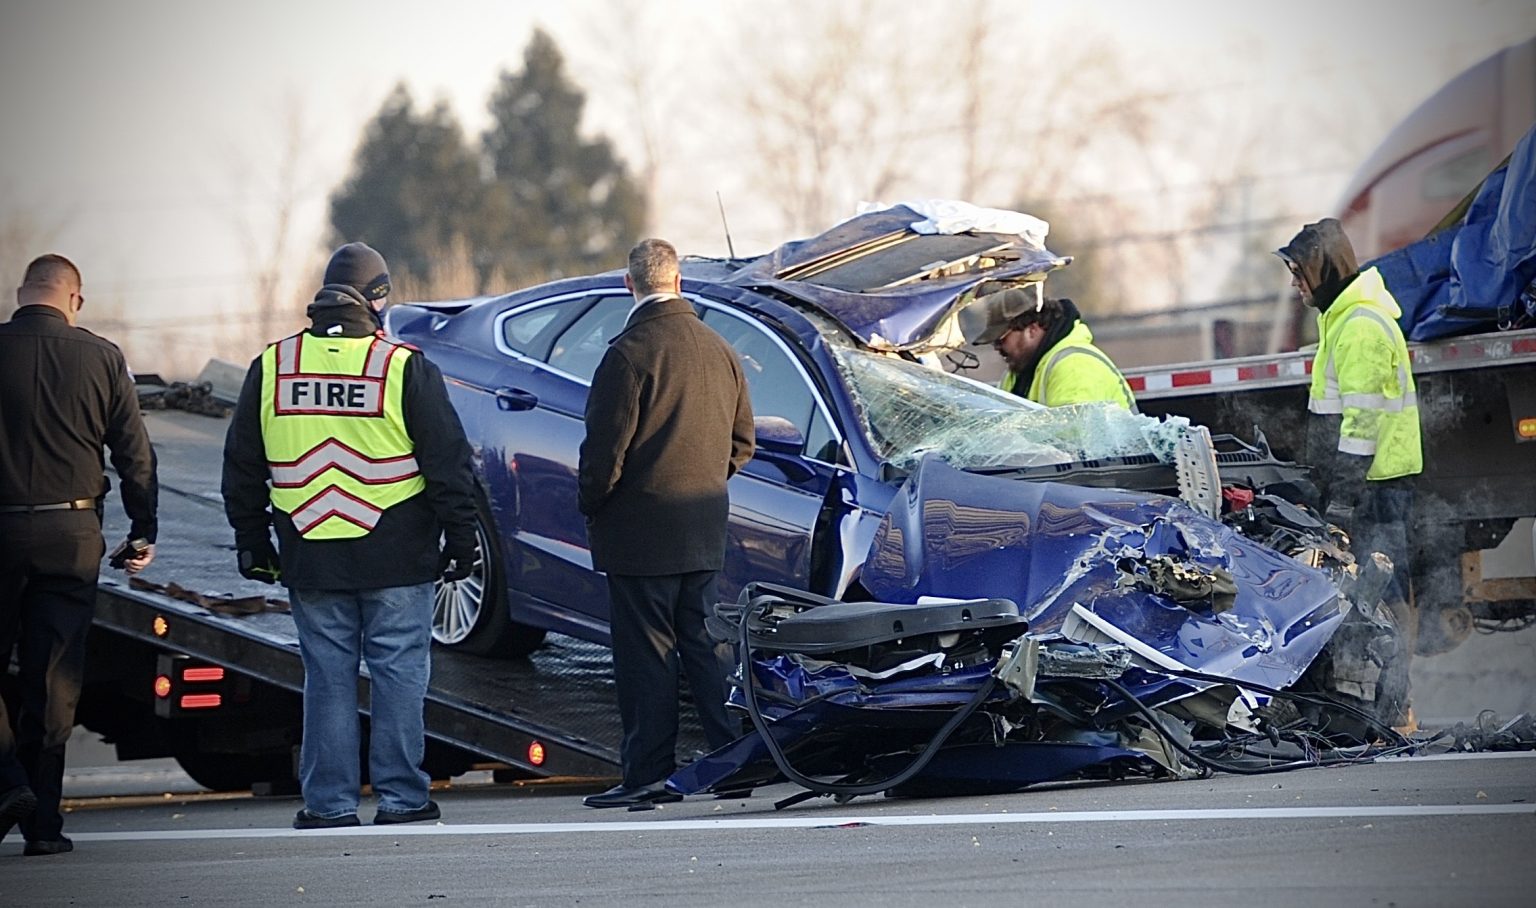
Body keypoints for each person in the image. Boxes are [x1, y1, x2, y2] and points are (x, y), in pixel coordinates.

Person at [221, 242, 478, 829]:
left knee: (328, 679)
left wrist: (251, 540)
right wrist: (461, 540)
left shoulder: (274, 364)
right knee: (399, 675)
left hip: (310, 550)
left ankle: (329, 804)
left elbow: (242, 463)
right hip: (398, 552)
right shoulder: (403, 366)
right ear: (378, 299)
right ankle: (402, 799)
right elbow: (449, 464)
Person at [578, 238, 755, 809]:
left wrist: (594, 504)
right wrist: (704, 482)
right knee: (706, 647)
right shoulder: (720, 350)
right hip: (703, 527)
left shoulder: (628, 355)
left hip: (639, 533)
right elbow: (743, 442)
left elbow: (603, 456)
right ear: (679, 282)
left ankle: (649, 775)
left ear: (628, 285)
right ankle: (734, 763)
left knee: (646, 656)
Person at [1, 254, 158, 856]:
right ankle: (43, 826)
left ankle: (8, 782)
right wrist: (142, 529)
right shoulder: (103, 357)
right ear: (75, 300)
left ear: (21, 293)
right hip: (71, 534)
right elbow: (134, 454)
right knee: (53, 680)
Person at [1277, 217, 1422, 725]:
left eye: (1300, 274)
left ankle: (1396, 710)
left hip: (1376, 485)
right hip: (1369, 483)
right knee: (1370, 596)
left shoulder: (1358, 326)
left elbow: (1361, 426)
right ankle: (1382, 710)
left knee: (1381, 597)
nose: (1296, 286)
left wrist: (1341, 498)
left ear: (1325, 271)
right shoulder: (1342, 318)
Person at [962, 286, 1138, 410]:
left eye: (1001, 339)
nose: (996, 347)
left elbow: (1072, 442)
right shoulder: (1015, 374)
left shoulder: (1073, 367)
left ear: (1032, 330)